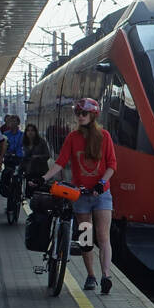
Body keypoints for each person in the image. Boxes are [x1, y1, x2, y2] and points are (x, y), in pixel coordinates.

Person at [41, 98, 116, 294]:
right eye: (78, 113)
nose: (80, 116)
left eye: (84, 113)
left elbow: (111, 165)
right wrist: (44, 177)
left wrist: (101, 183)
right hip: (80, 194)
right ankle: (91, 275)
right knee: (86, 237)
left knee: (103, 236)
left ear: (93, 115)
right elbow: (60, 162)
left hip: (101, 193)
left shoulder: (104, 136)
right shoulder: (72, 137)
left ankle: (106, 276)